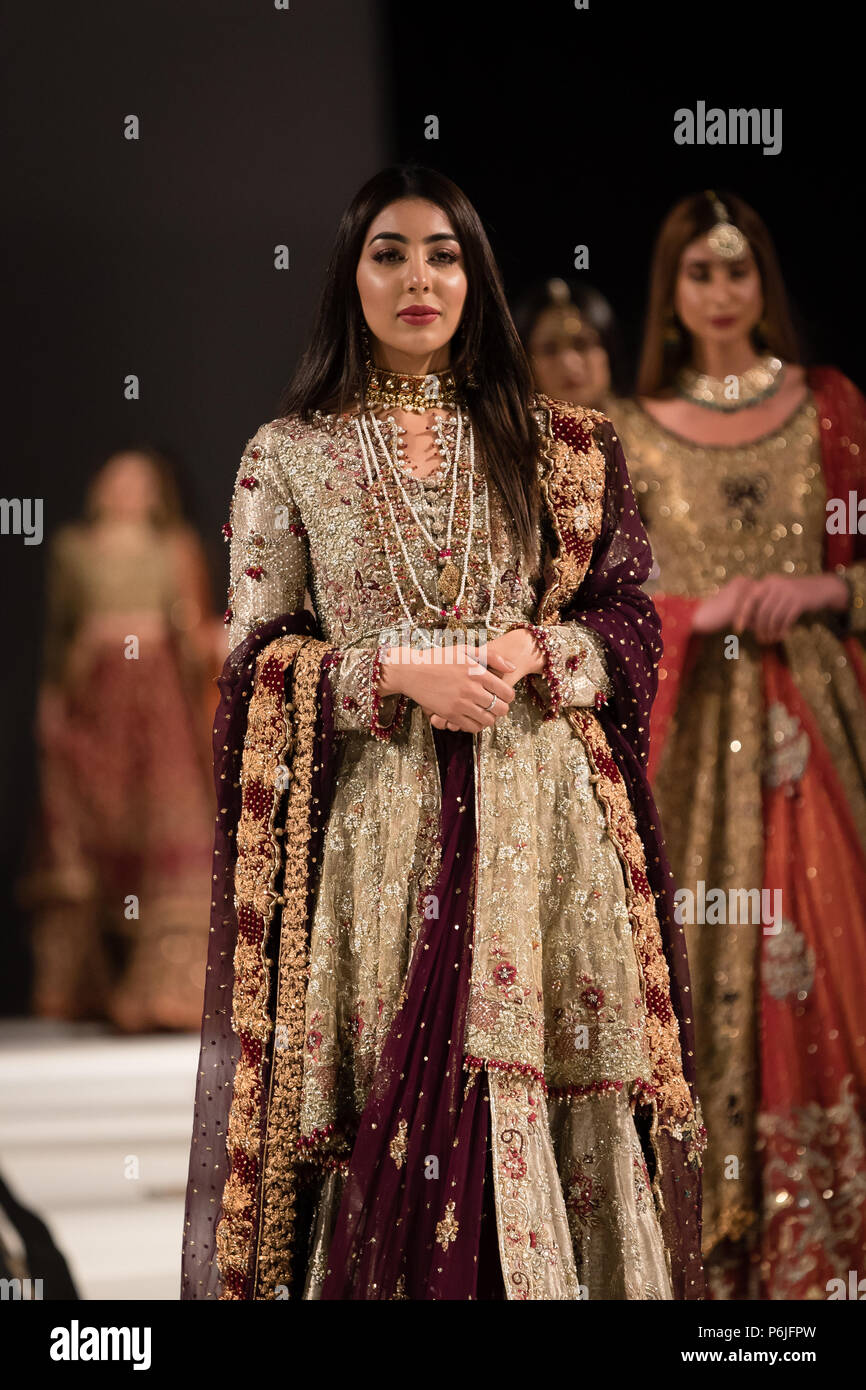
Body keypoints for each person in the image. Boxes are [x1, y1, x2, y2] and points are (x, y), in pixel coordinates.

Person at [181, 165, 705, 1301]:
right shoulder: (288, 454)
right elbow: (251, 675)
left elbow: (626, 618)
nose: (418, 277)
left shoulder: (560, 441)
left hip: (546, 829)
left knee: (560, 1093)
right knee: (395, 1104)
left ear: (474, 276)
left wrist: (538, 651)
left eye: (442, 253)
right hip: (381, 841)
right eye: (388, 253)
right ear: (349, 277)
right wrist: (392, 674)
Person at [614, 190, 866, 1299]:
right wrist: (691, 612)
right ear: (670, 292)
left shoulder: (829, 407)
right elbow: (614, 602)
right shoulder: (629, 428)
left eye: (737, 269)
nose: (720, 293)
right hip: (692, 745)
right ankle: (723, 1240)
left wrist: (822, 584)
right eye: (697, 273)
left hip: (817, 720)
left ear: (761, 280)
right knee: (699, 953)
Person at [23, 447, 218, 1031]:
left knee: (170, 823)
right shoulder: (73, 550)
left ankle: (167, 991)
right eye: (117, 480)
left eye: (140, 483)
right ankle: (88, 987)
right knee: (90, 828)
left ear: (158, 494)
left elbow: (188, 629)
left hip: (157, 703)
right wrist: (54, 703)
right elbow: (60, 635)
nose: (127, 492)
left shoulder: (174, 548)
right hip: (97, 698)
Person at [512, 277, 625, 412]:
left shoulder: (652, 419)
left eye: (582, 345)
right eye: (549, 350)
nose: (569, 363)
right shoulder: (510, 432)